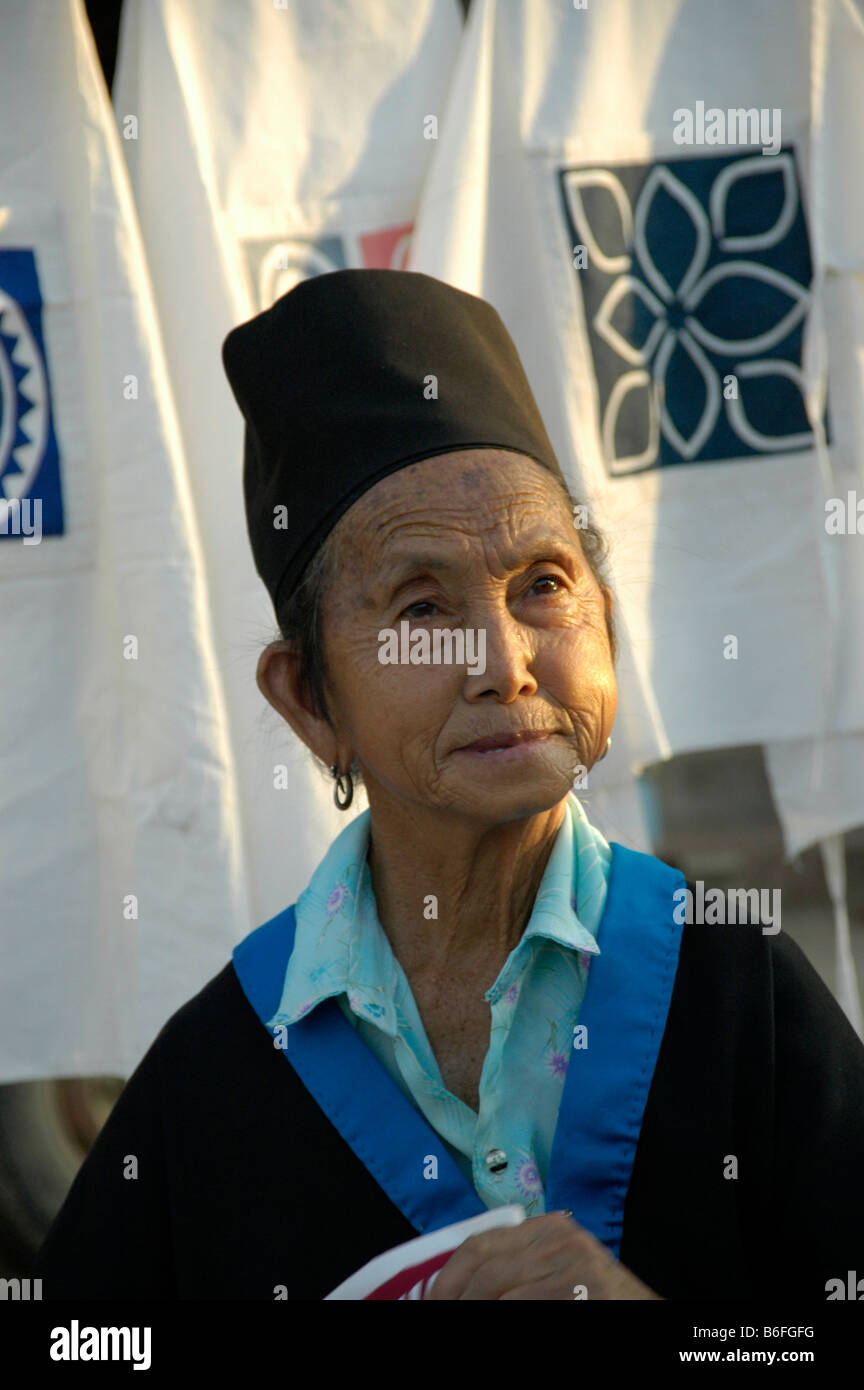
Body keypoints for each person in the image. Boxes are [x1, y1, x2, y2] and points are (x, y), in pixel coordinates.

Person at [34, 270, 864, 1300]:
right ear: (310, 699)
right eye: (423, 609)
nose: (506, 662)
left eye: (544, 586)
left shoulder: (737, 987)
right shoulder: (218, 1078)